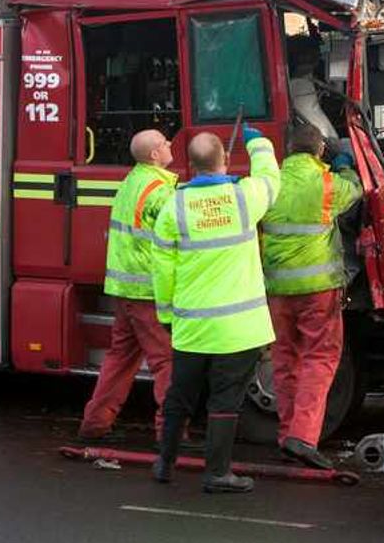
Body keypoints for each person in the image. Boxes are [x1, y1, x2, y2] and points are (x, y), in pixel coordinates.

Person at [151, 126, 280, 493]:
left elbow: (162, 269)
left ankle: (165, 462)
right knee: (225, 400)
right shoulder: (245, 197)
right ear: (224, 161)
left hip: (192, 327)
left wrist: (165, 316)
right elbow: (271, 177)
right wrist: (258, 141)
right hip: (239, 329)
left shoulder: (173, 207)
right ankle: (218, 473)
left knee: (181, 395)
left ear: (190, 166)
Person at [260, 125, 362, 469]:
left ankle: (286, 433)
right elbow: (356, 189)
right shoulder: (327, 183)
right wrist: (344, 162)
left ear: (287, 150)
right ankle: (302, 437)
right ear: (320, 152)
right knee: (319, 359)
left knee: (284, 360)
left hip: (276, 290)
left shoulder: (268, 183)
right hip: (318, 290)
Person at [79, 129, 178, 441]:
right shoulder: (159, 190)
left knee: (120, 358)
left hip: (125, 290)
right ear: (153, 155)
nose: (170, 144)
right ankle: (171, 434)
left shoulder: (133, 181)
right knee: (168, 363)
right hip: (147, 291)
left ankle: (95, 425)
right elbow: (183, 223)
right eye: (165, 143)